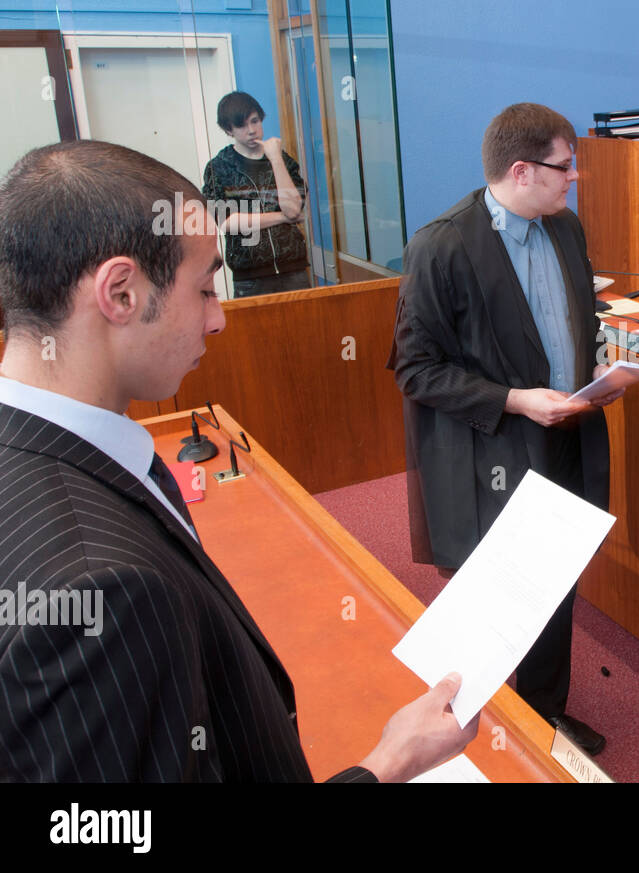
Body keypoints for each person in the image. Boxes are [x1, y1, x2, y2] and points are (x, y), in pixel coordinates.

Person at [0, 140, 476, 781]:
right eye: (204, 289)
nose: (218, 320)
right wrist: (388, 765)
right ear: (121, 292)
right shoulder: (103, 589)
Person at [387, 103, 622, 757]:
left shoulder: (566, 229)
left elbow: (582, 321)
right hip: (492, 448)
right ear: (522, 171)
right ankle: (469, 738)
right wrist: (516, 400)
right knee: (496, 601)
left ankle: (544, 714)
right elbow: (415, 368)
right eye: (564, 165)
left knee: (555, 588)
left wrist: (603, 365)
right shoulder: (443, 245)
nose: (574, 177)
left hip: (568, 434)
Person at [201, 91, 312, 298]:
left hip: (294, 269)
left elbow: (294, 209)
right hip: (250, 277)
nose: (251, 131)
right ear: (229, 130)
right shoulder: (219, 167)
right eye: (242, 126)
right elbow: (228, 223)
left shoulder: (283, 160)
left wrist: (276, 159)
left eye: (255, 121)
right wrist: (282, 217)